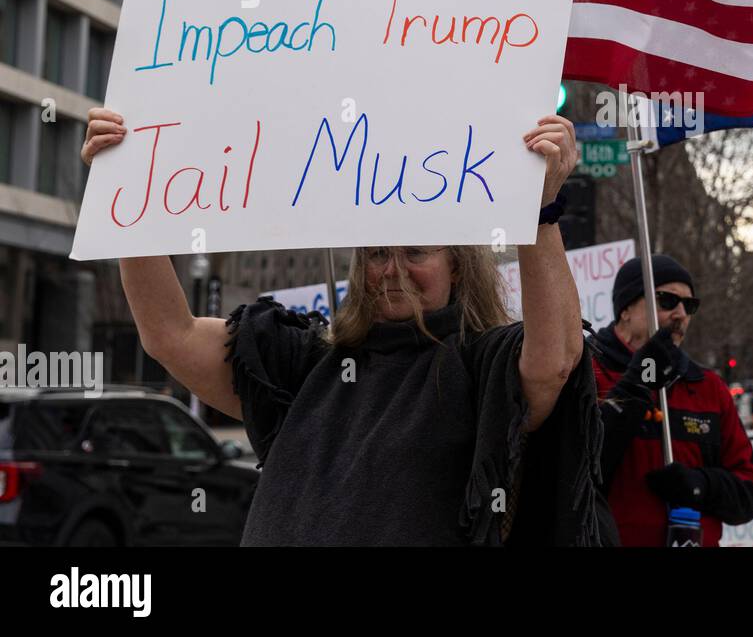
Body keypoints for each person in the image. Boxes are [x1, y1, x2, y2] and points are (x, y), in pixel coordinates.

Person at [81, 107, 609, 546]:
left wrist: (539, 211)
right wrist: (124, 193)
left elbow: (556, 358)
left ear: (459, 263)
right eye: (377, 251)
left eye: (417, 250)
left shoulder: (480, 363)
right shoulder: (304, 363)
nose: (393, 268)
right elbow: (169, 334)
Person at [591, 255, 753, 546]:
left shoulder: (708, 387)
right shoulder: (587, 372)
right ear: (626, 309)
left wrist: (700, 485)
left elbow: (750, 493)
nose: (681, 313)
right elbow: (576, 471)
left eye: (690, 305)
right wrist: (638, 383)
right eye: (667, 301)